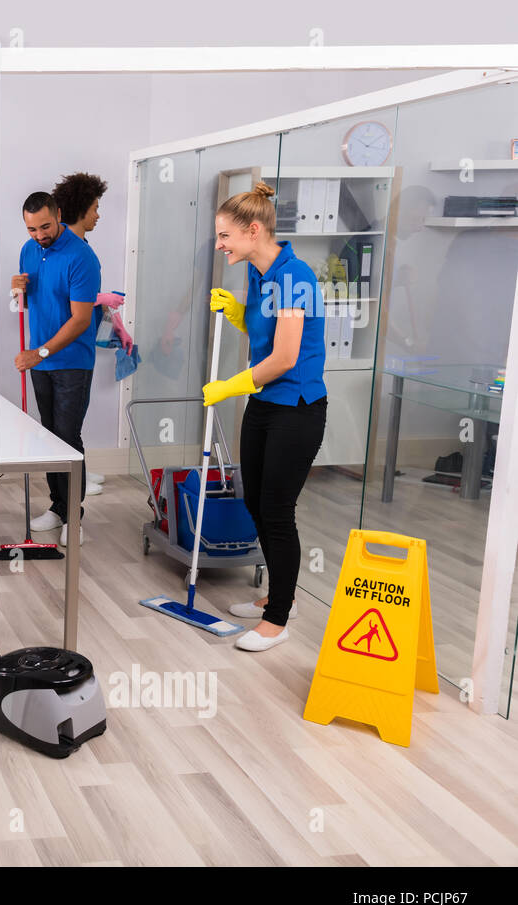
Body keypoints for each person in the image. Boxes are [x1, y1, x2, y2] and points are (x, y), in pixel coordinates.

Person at [203, 181, 327, 652]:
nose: (220, 245)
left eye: (225, 237)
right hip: (264, 405)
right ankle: (278, 594)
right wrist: (238, 312)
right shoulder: (258, 272)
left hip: (296, 407)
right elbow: (265, 331)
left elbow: (285, 358)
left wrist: (230, 385)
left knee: (277, 511)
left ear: (253, 231)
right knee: (253, 500)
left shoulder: (296, 276)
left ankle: (278, 618)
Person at [12, 191, 100, 546]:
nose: (39, 235)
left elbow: (80, 320)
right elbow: (30, 301)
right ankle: (58, 507)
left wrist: (40, 353)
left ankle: (74, 516)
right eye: (32, 228)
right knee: (48, 438)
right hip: (41, 361)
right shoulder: (28, 249)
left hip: (71, 363)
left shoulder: (82, 257)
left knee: (67, 437)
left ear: (59, 214)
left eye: (45, 226)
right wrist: (17, 291)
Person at [51, 171, 132, 495]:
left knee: (70, 427)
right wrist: (100, 298)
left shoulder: (82, 246)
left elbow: (82, 295)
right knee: (65, 430)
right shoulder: (67, 248)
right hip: (64, 349)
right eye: (95, 207)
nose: (98, 214)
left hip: (78, 347)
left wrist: (117, 323)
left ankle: (78, 480)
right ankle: (72, 489)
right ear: (81, 207)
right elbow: (62, 296)